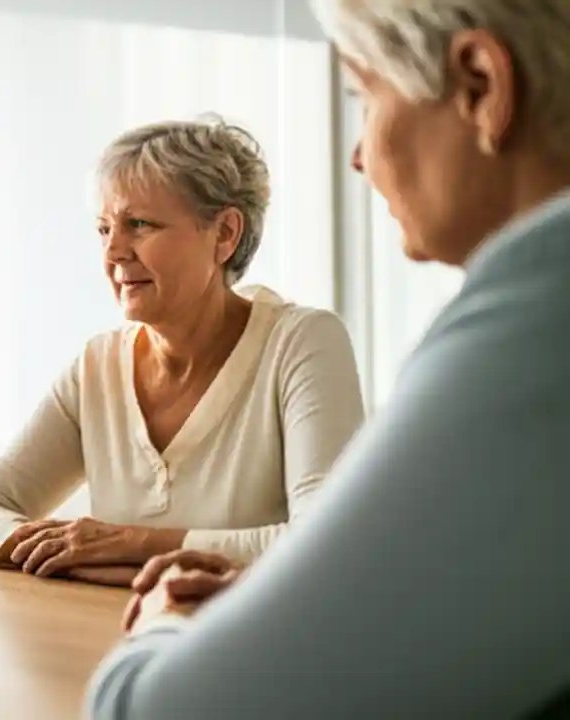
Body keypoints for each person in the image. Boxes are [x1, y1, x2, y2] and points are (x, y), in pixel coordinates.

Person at [89, 1, 570, 717]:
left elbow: (154, 710)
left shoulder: (533, 329)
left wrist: (166, 618)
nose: (358, 156)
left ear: (480, 85)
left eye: (365, 98)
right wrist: (291, 612)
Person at [0, 119, 365, 586]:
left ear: (225, 234)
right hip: (120, 626)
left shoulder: (303, 342)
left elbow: (328, 541)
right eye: (104, 229)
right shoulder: (97, 367)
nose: (114, 252)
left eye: (139, 224)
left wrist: (134, 544)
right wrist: (74, 556)